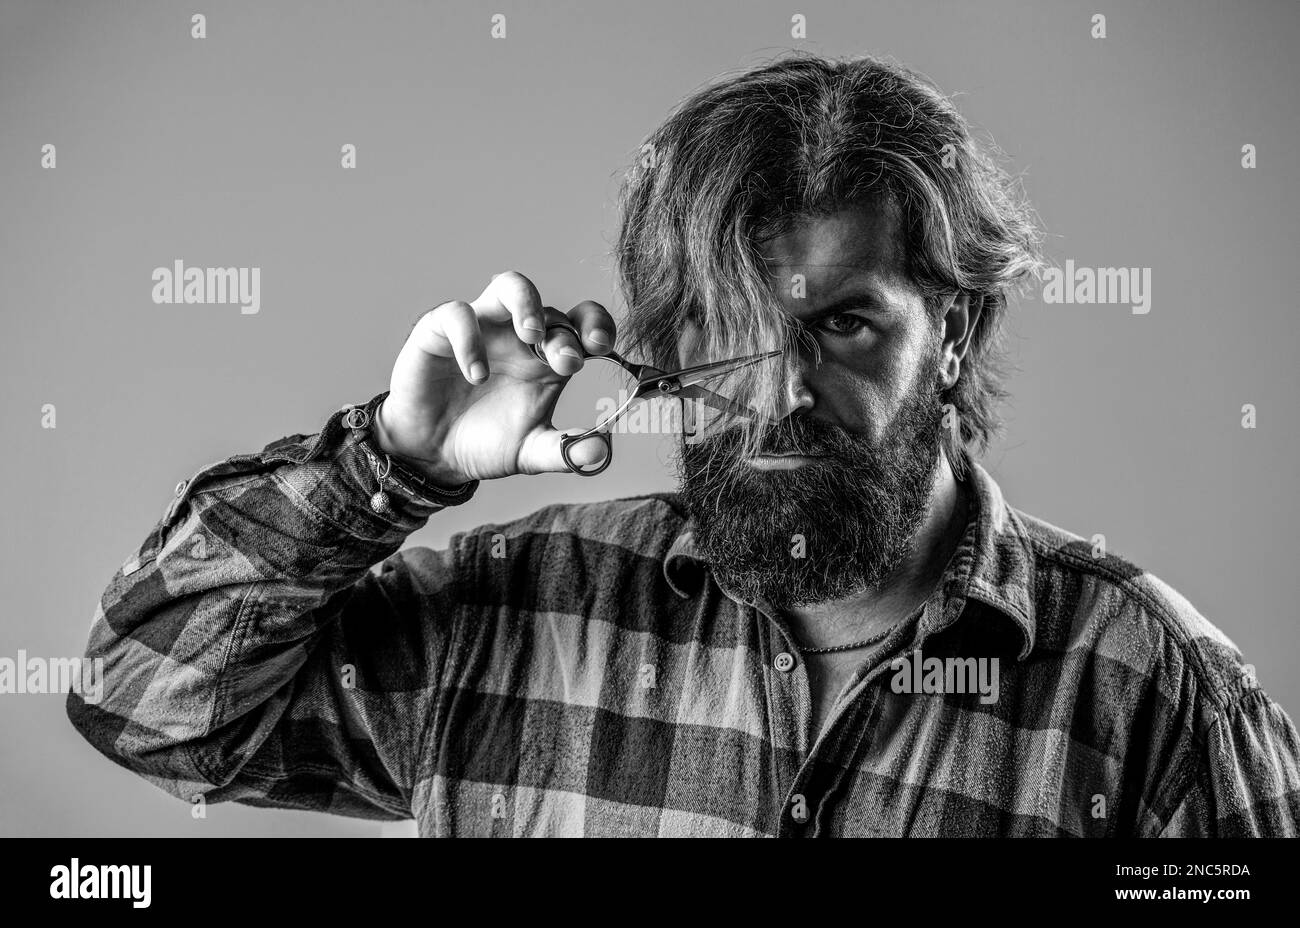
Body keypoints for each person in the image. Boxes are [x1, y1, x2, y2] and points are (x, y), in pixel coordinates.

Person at [67, 54, 1300, 836]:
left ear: (956, 331)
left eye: (844, 323)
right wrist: (392, 463)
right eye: (727, 328)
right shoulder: (518, 617)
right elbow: (146, 705)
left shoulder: (1153, 695)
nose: (776, 388)